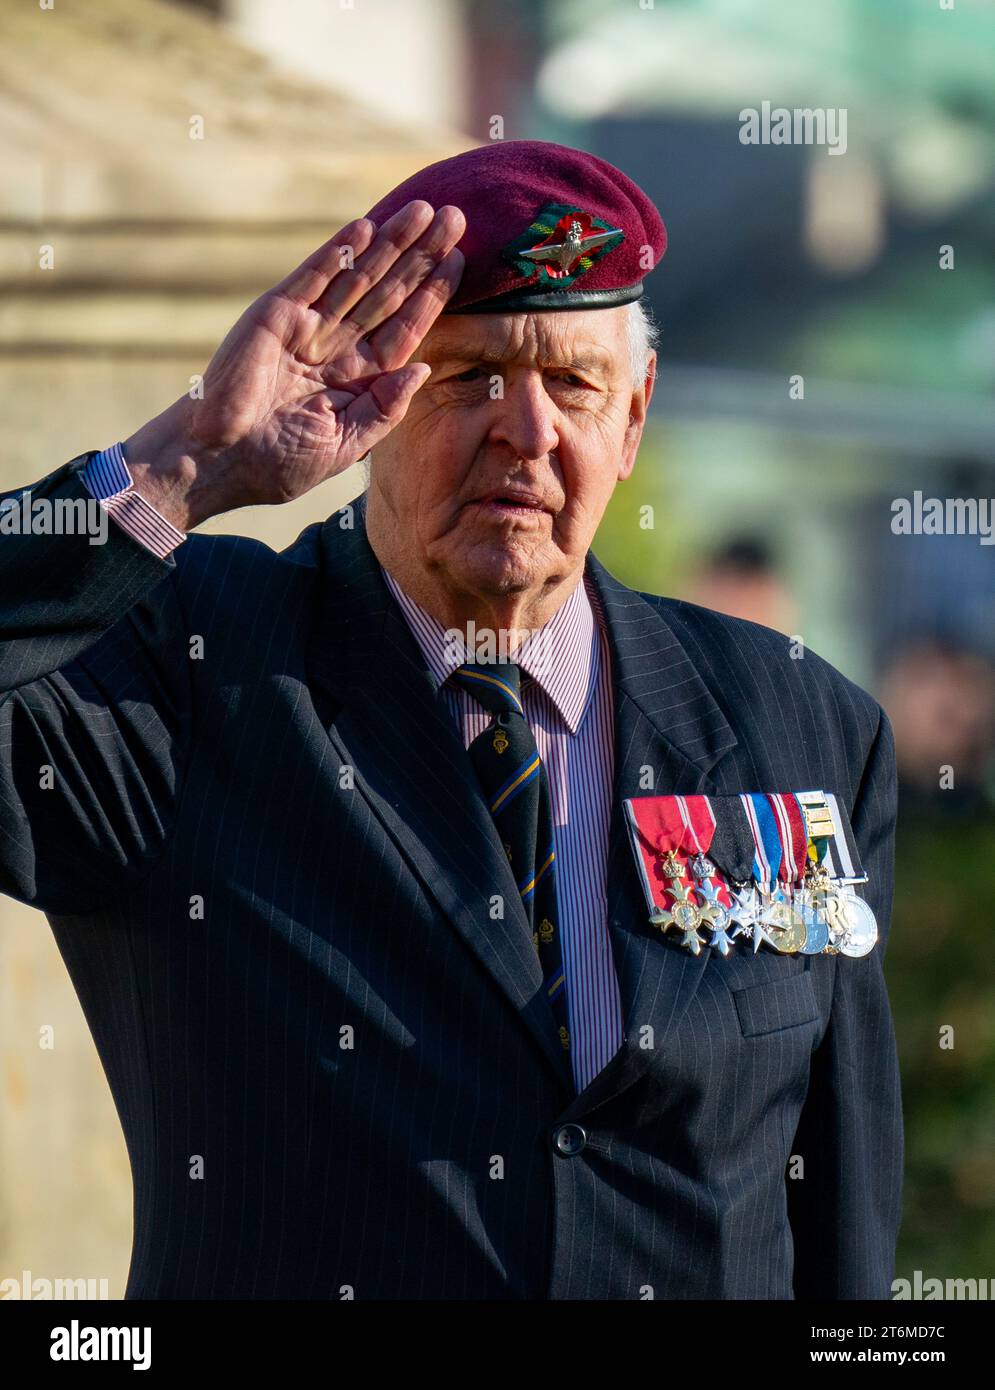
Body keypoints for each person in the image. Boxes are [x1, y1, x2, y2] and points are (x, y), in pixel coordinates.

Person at [0, 140, 902, 1300]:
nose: (523, 432)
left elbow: (840, 1224)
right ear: (365, 406)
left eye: (572, 385)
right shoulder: (186, 672)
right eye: (467, 376)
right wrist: (186, 464)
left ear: (631, 421)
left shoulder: (797, 718)